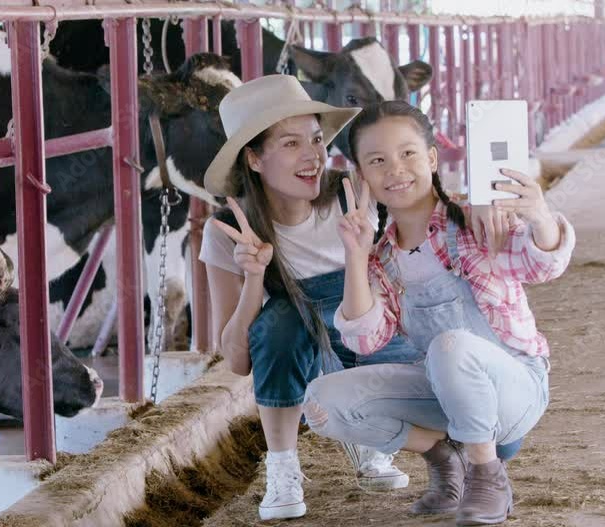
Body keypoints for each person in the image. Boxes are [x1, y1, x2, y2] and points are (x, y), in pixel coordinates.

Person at [199, 75, 508, 521]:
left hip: (372, 327)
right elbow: (237, 360)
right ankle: (283, 469)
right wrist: (254, 278)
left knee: (432, 370)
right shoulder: (229, 229)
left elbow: (434, 206)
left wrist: (475, 205)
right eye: (290, 144)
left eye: (317, 139)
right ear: (253, 158)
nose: (313, 156)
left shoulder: (355, 194)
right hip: (306, 351)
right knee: (279, 320)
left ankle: (405, 445)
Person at [302, 100, 574, 525]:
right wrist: (355, 255)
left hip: (515, 389)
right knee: (322, 401)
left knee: (450, 346)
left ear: (431, 157)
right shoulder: (382, 259)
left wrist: (538, 213)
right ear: (362, 177)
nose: (395, 169)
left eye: (408, 153)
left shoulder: (476, 221)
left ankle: (487, 475)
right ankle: (441, 453)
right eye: (377, 160)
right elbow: (364, 339)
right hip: (448, 394)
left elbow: (543, 264)